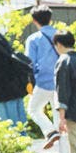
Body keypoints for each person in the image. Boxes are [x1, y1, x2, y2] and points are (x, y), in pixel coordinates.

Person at [25, 8, 61, 142]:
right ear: (50, 19)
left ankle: (50, 131)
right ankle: (63, 152)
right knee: (59, 116)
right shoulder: (60, 35)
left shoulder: (33, 39)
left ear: (34, 21)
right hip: (61, 81)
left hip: (43, 81)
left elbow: (30, 63)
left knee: (33, 109)